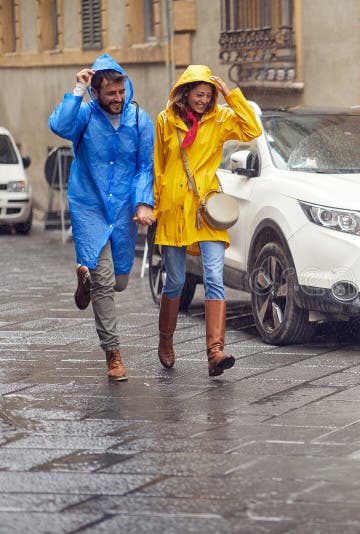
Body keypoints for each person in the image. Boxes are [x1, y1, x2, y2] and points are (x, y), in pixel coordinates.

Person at [49, 54, 155, 381]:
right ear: (97, 92)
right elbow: (59, 125)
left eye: (122, 91)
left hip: (123, 209)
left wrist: (142, 203)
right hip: (88, 205)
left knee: (119, 281)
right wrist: (77, 89)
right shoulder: (83, 115)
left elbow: (144, 167)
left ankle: (86, 283)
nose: (118, 99)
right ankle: (113, 354)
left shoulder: (139, 120)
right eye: (111, 93)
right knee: (106, 281)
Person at [153, 65, 261, 377]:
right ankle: (166, 341)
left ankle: (215, 351)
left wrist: (231, 94)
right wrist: (154, 207)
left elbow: (252, 129)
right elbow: (158, 167)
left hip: (207, 208)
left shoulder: (221, 118)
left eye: (208, 95)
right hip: (174, 208)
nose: (203, 100)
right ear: (184, 92)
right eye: (198, 94)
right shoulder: (165, 121)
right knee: (175, 280)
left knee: (214, 276)